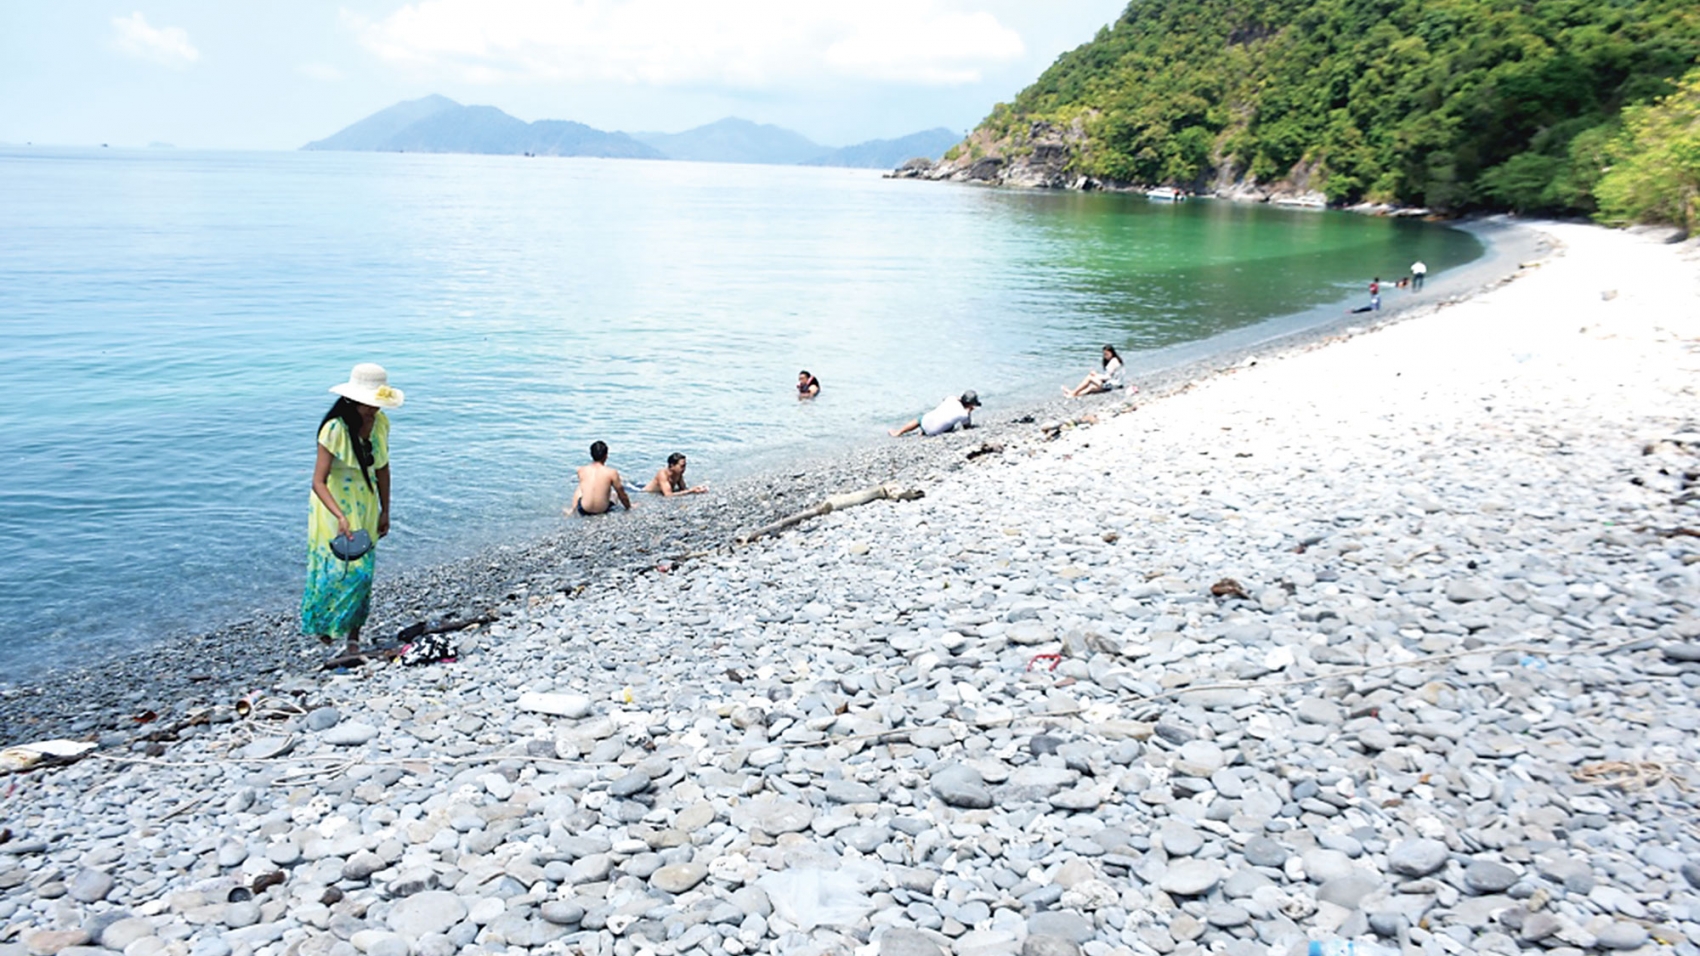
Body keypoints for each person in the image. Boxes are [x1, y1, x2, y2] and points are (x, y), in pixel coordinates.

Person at [302, 362, 403, 658]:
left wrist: (386, 509)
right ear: (353, 399)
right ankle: (324, 623)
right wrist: (340, 516)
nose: (373, 410)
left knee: (362, 573)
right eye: (368, 405)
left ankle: (353, 636)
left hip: (367, 503)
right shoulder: (333, 430)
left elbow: (382, 468)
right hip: (333, 506)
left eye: (376, 404)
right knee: (335, 570)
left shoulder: (381, 424)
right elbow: (318, 482)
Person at [568, 440, 631, 516]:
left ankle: (572, 510)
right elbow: (622, 494)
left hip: (584, 510)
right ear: (606, 456)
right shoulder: (612, 472)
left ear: (591, 454)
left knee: (579, 488)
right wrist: (628, 507)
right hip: (603, 510)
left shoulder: (581, 470)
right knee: (614, 494)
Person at [890, 390, 980, 437]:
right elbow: (967, 427)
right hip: (934, 432)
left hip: (925, 422)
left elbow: (945, 399)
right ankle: (924, 434)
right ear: (971, 404)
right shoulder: (963, 414)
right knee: (951, 425)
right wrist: (968, 412)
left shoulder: (951, 398)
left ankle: (899, 432)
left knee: (919, 419)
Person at [1063, 345, 1128, 398]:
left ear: (1112, 353)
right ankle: (1075, 394)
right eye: (1104, 354)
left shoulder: (1113, 362)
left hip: (1113, 385)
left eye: (1106, 354)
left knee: (1089, 377)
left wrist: (1096, 375)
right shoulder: (1117, 360)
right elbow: (1111, 376)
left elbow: (1107, 377)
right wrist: (1097, 375)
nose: (1105, 356)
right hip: (1118, 385)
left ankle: (1073, 393)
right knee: (1091, 387)